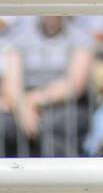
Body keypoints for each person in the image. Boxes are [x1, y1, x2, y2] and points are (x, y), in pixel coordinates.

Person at [0, 15, 94, 157]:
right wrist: (22, 107)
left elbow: (74, 85)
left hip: (65, 104)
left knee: (53, 128)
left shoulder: (80, 36)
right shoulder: (21, 36)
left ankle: (59, 178)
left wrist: (32, 101)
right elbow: (12, 84)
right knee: (3, 125)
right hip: (23, 102)